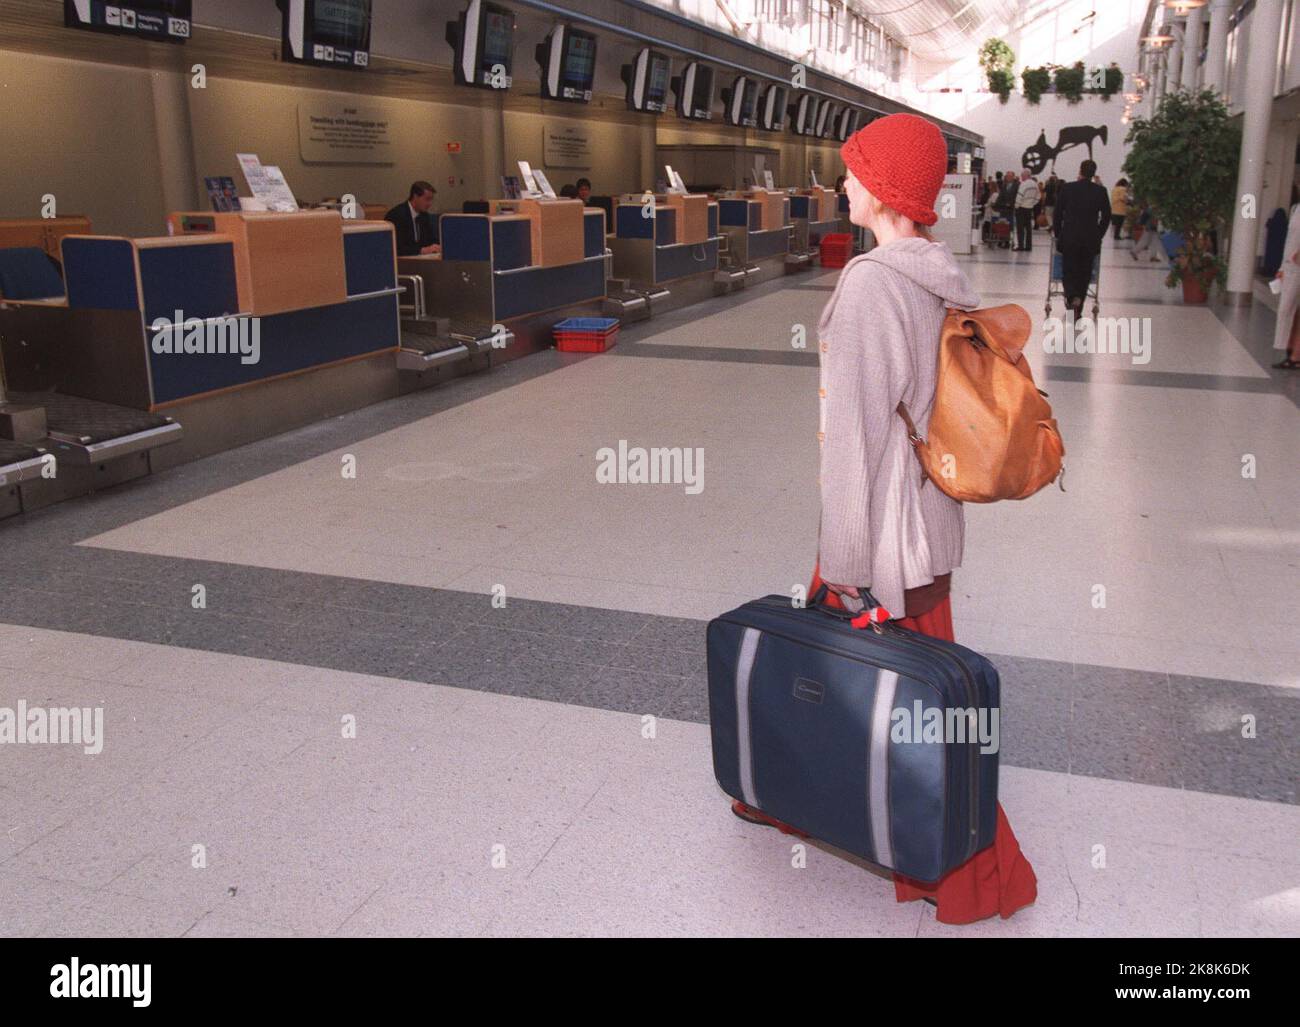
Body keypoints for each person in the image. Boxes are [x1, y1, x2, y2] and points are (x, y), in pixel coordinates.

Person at [729, 112, 1038, 926]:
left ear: (886, 188)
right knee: (902, 685)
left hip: (880, 530)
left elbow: (855, 435)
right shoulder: (933, 270)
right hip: (924, 521)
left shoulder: (872, 283)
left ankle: (977, 869)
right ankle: (798, 797)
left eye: (854, 171)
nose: (842, 184)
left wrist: (847, 560)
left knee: (900, 696)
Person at [1052, 159, 1110, 319]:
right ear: (1093, 173)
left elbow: (1057, 214)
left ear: (1080, 171)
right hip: (1090, 238)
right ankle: (1079, 305)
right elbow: (1106, 216)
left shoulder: (1068, 188)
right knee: (1084, 272)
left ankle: (1071, 297)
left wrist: (1058, 234)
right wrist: (1099, 234)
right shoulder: (1100, 191)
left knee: (1069, 269)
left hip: (1069, 236)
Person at [1272, 198, 1300, 369]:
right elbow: (1290, 240)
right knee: (1287, 309)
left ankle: (1295, 354)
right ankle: (1290, 350)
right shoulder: (1295, 208)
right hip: (1291, 267)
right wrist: (1282, 267)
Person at [384, 181, 440, 257]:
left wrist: (438, 246)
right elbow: (397, 248)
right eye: (427, 199)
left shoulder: (424, 215)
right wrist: (422, 250)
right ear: (415, 196)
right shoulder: (397, 215)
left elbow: (430, 239)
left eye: (431, 199)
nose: (430, 203)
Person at [1013, 168, 1040, 252]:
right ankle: (1028, 246)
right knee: (1028, 228)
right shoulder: (1035, 184)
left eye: (1022, 175)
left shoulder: (1023, 184)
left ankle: (1021, 246)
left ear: (1026, 175)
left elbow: (1019, 196)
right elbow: (1038, 196)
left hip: (1021, 208)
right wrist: (1032, 203)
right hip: (1029, 208)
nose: (1021, 177)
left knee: (1020, 228)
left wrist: (1016, 206)